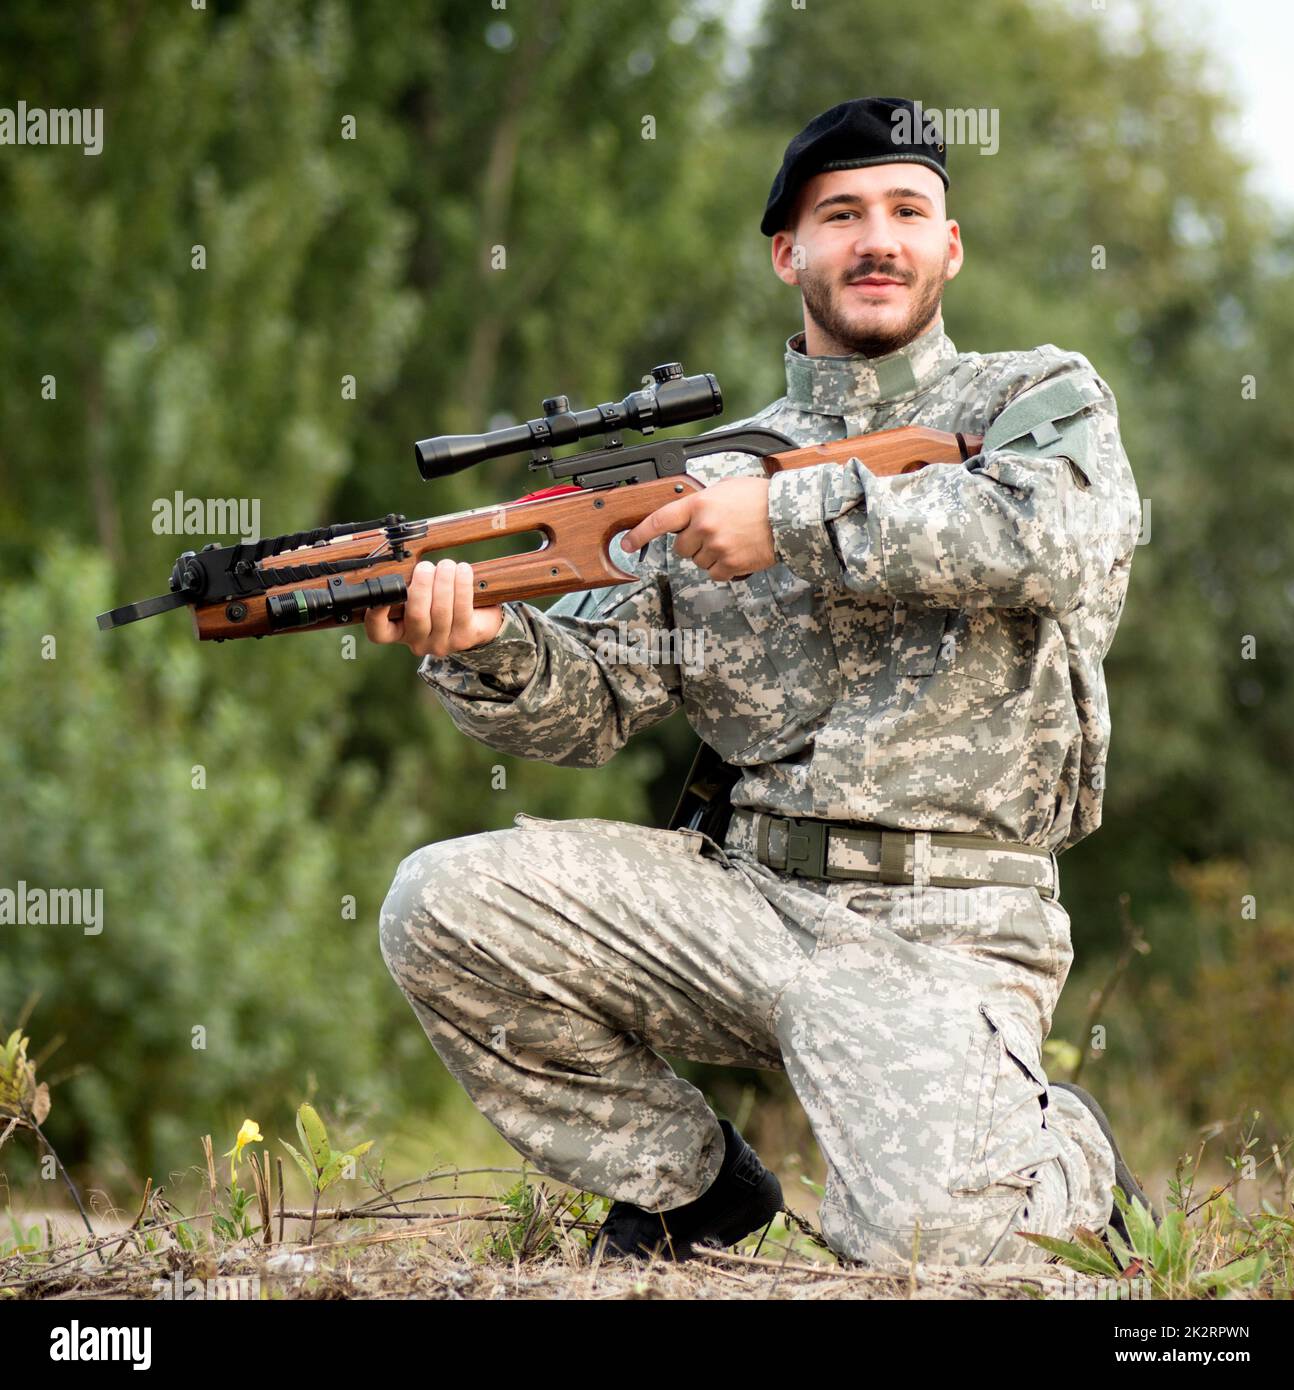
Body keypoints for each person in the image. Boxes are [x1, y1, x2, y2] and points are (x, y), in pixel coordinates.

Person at [366, 96, 1149, 1269]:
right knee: (444, 903)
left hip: (947, 932)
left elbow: (1064, 538)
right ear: (788, 252)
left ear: (950, 246)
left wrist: (786, 516)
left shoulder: (1031, 399)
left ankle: (1061, 1154)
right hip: (741, 909)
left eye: (905, 211)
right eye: (839, 215)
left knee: (931, 1251)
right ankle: (689, 1191)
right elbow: (590, 707)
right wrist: (479, 641)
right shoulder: (702, 476)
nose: (874, 239)